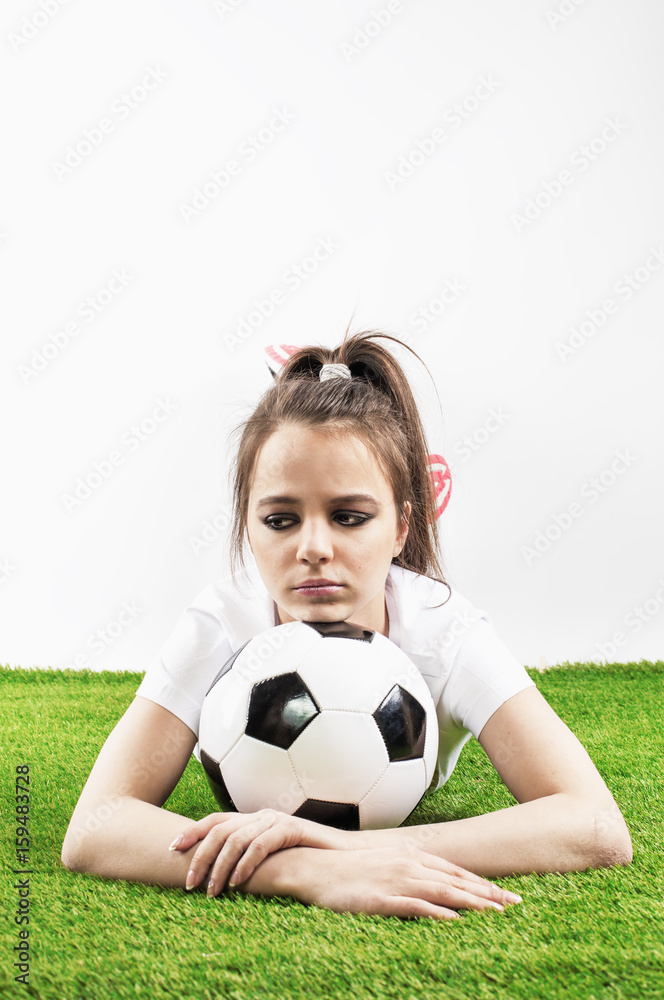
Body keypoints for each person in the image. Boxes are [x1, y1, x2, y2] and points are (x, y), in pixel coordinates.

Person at [61, 329, 632, 921]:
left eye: (349, 517)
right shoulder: (221, 623)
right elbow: (95, 830)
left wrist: (353, 847)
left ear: (402, 526)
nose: (313, 548)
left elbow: (593, 824)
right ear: (247, 527)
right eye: (280, 520)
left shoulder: (445, 631)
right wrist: (308, 871)